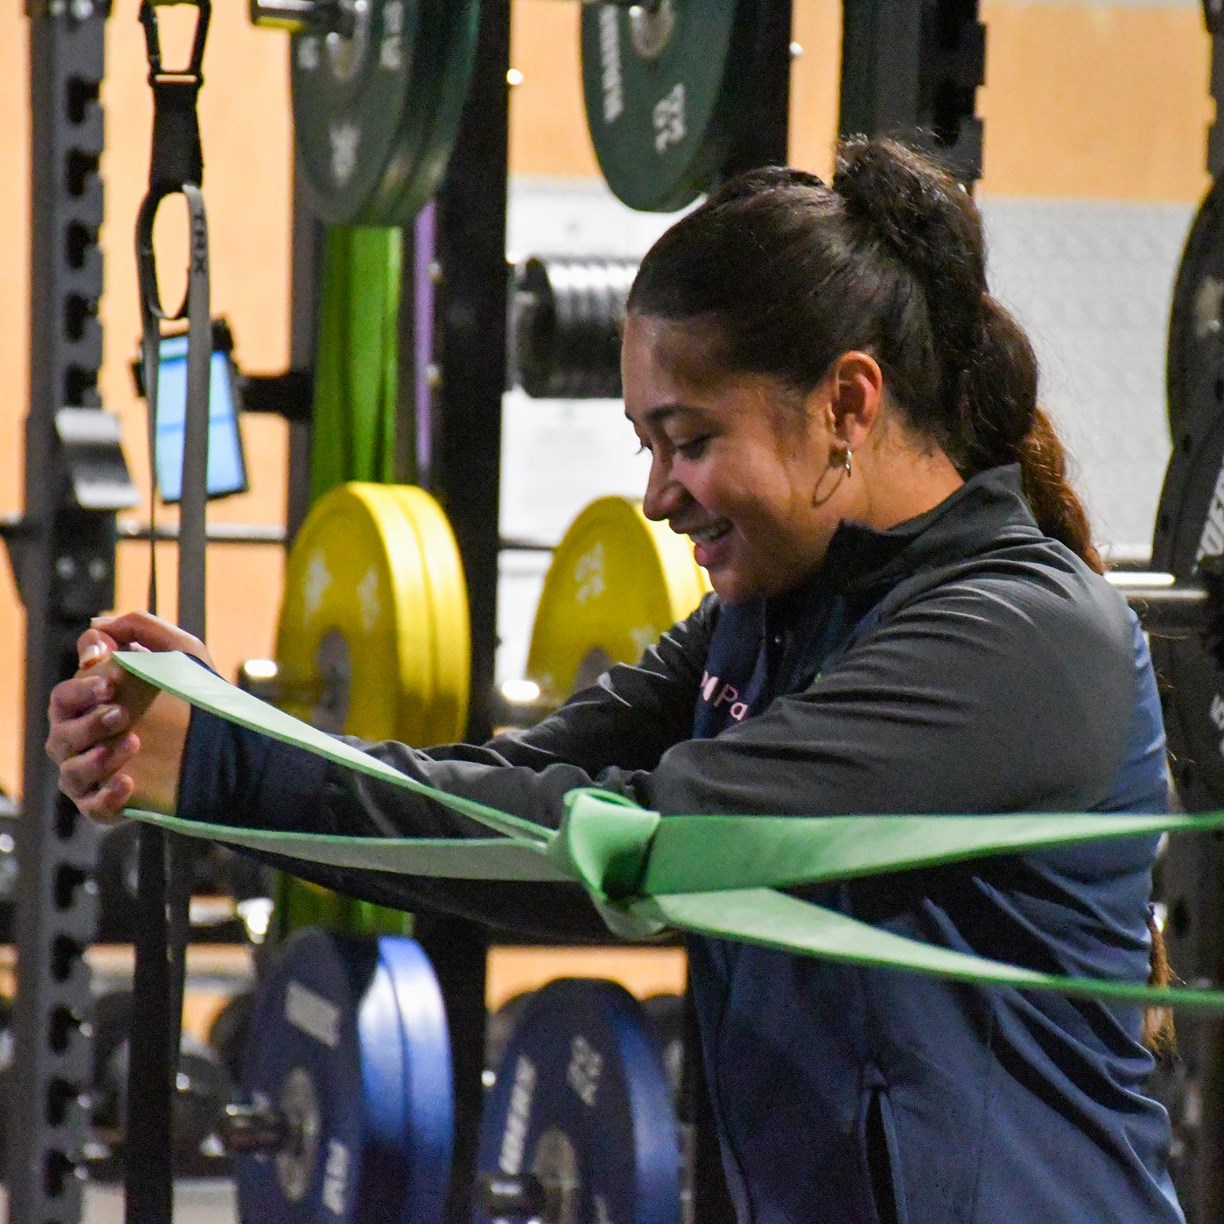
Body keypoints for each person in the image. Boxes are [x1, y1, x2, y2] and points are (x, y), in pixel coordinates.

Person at [47, 138, 1181, 1224]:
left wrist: (233, 766)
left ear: (847, 404)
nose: (656, 492)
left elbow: (641, 845)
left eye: (687, 439)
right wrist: (234, 735)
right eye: (645, 441)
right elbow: (505, 789)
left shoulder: (1020, 638)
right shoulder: (759, 621)